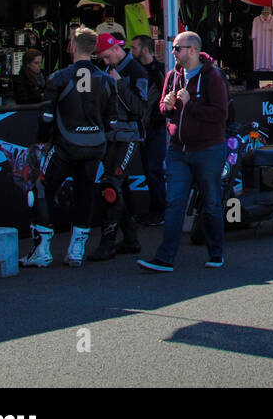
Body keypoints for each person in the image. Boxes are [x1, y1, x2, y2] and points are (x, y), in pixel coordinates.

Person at [19, 27, 118, 268]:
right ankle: (76, 250)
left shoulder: (59, 77)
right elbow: (111, 120)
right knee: (84, 193)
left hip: (65, 146)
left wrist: (42, 141)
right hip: (94, 146)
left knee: (41, 189)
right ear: (94, 49)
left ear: (72, 46)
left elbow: (46, 115)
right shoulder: (106, 78)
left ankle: (42, 249)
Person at [138, 32, 230, 271]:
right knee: (174, 202)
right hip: (178, 149)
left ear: (192, 50)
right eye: (173, 48)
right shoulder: (172, 76)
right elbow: (162, 109)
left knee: (210, 203)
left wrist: (191, 104)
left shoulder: (212, 77)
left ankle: (216, 254)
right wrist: (166, 107)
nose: (173, 52)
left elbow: (220, 115)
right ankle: (165, 258)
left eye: (178, 48)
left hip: (208, 149)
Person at [88, 32, 149, 261]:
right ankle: (131, 239)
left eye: (105, 56)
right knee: (119, 187)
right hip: (110, 136)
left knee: (112, 186)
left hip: (129, 136)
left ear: (115, 50)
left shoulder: (137, 71)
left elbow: (140, 109)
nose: (105, 62)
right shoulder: (106, 71)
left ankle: (108, 242)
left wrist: (119, 84)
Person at [131, 35, 168, 226]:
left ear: (145, 49)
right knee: (149, 168)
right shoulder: (135, 70)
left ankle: (160, 210)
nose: (132, 51)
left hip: (157, 127)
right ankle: (157, 209)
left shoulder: (160, 70)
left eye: (135, 47)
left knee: (154, 168)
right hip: (142, 127)